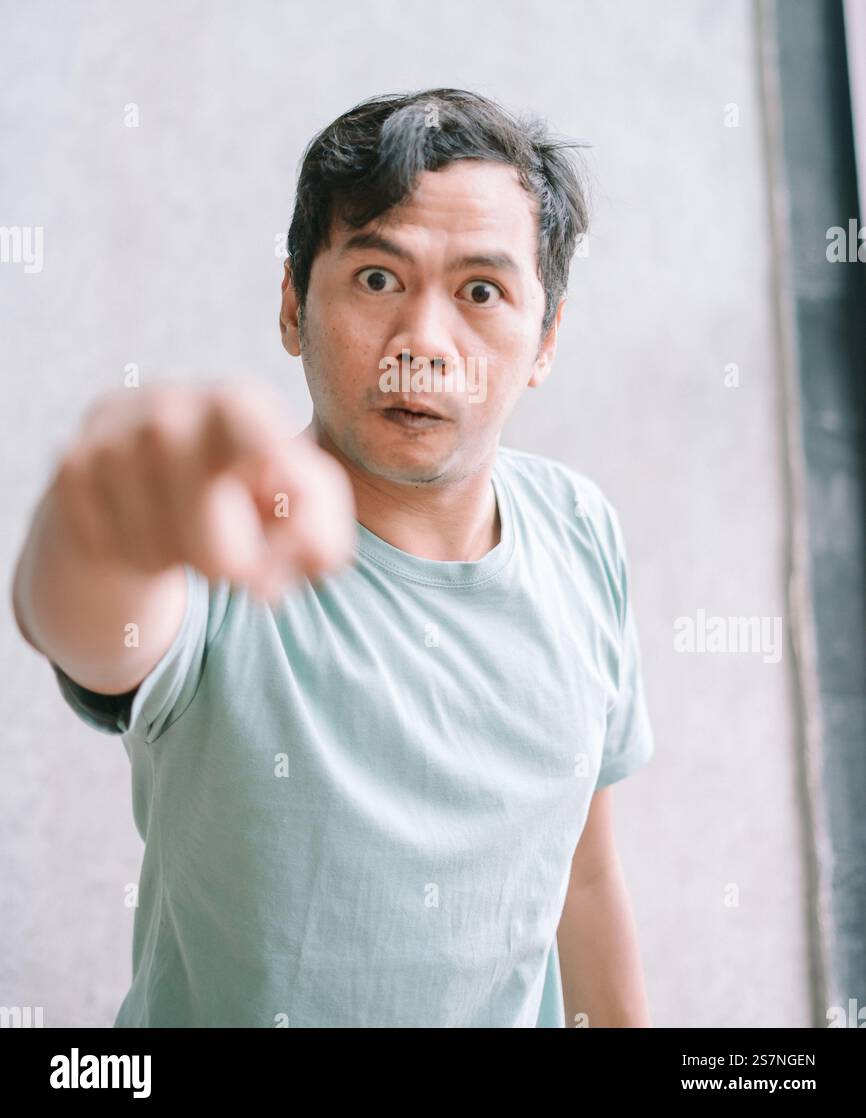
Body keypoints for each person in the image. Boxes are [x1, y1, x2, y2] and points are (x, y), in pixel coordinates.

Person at [11, 87, 655, 1028]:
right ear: (291, 305)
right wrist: (98, 520)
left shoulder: (580, 527)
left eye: (483, 292)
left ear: (545, 339)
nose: (423, 346)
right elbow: (88, 624)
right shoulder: (223, 533)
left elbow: (585, 876)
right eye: (378, 280)